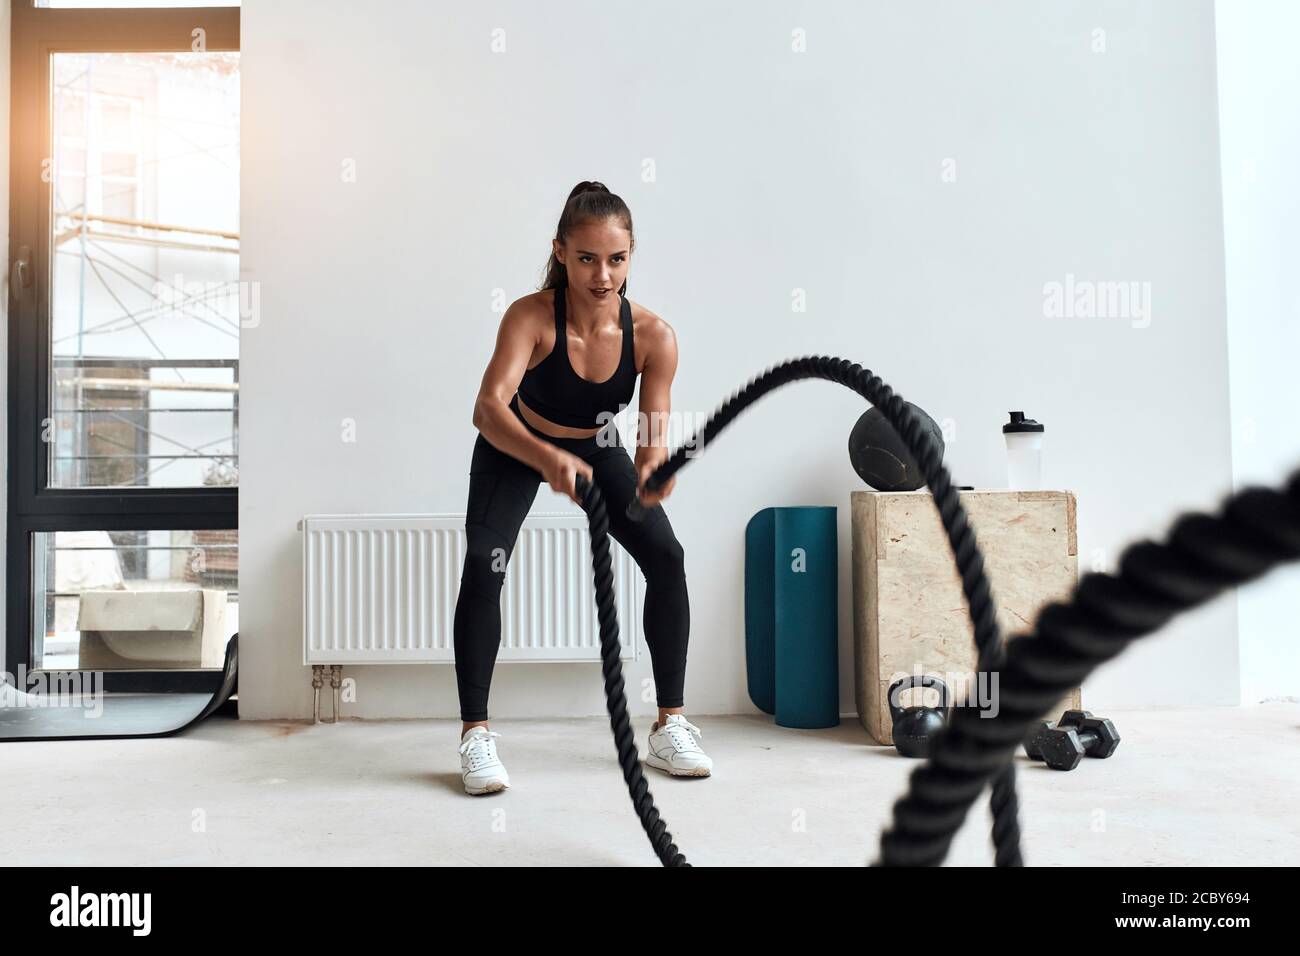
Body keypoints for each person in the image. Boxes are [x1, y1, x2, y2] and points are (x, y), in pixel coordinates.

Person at [453, 181, 712, 795]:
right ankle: (475, 735)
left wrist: (653, 471)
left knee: (667, 556)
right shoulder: (530, 317)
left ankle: (670, 725)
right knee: (485, 562)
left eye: (616, 259)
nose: (603, 275)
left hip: (597, 448)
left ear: (631, 256)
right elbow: (488, 409)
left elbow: (651, 436)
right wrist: (548, 459)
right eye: (588, 258)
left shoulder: (654, 336)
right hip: (514, 443)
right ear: (561, 252)